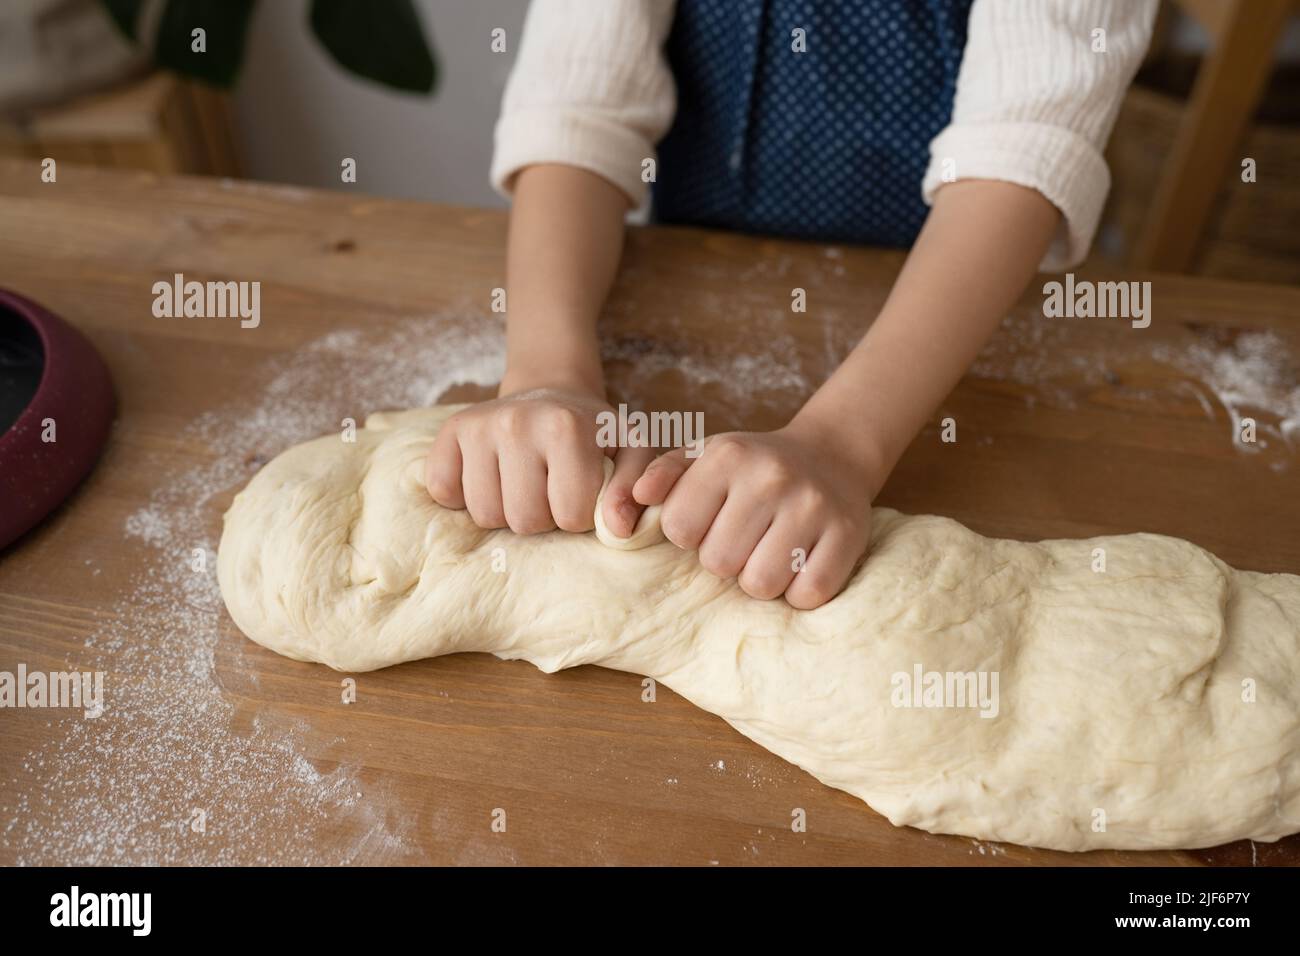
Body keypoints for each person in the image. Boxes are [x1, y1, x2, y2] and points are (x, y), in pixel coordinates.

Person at [426, 0, 1157, 608]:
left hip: (962, 281)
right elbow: (578, 100)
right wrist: (547, 372)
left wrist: (841, 446)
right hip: (703, 264)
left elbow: (1025, 143)